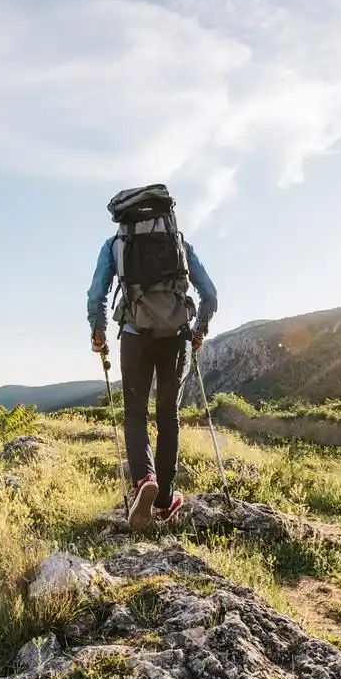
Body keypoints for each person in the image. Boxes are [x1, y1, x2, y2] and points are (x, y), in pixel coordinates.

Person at [86, 202, 218, 530]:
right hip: (176, 337)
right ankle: (164, 500)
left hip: (135, 336)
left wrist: (98, 330)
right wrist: (198, 331)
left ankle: (145, 479)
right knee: (168, 415)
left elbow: (96, 295)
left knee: (134, 413)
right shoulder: (180, 244)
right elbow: (210, 294)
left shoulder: (115, 245)